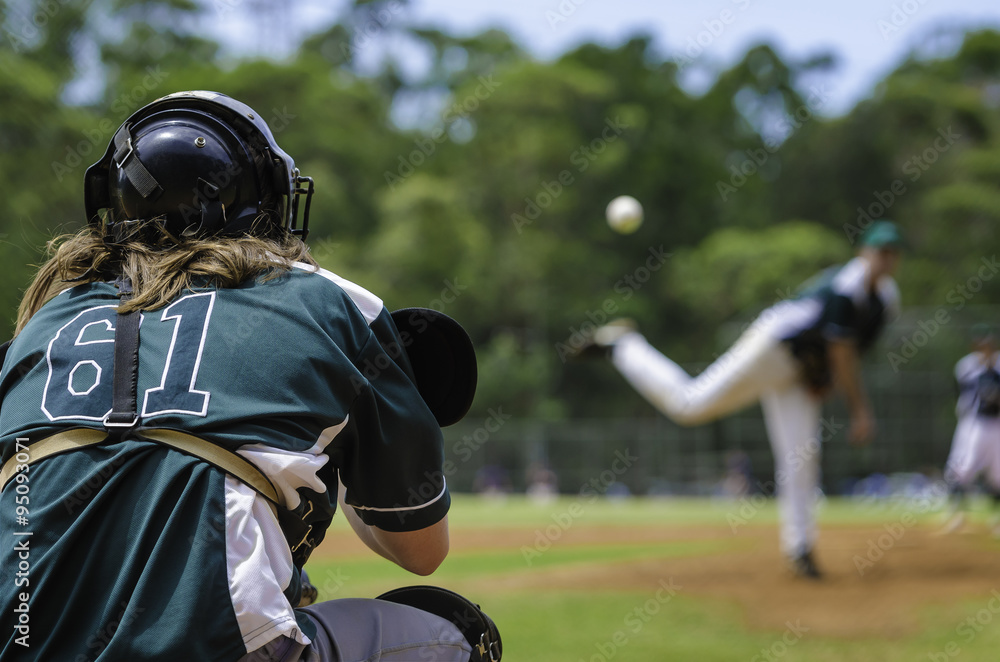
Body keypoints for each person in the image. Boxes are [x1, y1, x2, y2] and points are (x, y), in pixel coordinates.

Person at [0, 92, 493, 661]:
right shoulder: (325, 301)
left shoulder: (40, 324)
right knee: (455, 631)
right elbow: (420, 549)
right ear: (262, 200)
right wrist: (350, 453)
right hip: (213, 645)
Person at [584, 221, 904, 579]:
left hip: (799, 372)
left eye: (892, 253)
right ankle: (624, 346)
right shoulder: (847, 287)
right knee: (690, 405)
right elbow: (841, 352)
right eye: (880, 252)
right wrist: (860, 411)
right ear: (864, 252)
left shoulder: (886, 299)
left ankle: (800, 549)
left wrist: (825, 380)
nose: (886, 259)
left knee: (802, 454)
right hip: (772, 349)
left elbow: (850, 351)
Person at [941, 323, 1000, 534]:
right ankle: (957, 514)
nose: (984, 348)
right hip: (973, 422)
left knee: (998, 473)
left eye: (988, 344)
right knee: (962, 467)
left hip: (997, 424)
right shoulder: (967, 366)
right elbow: (971, 393)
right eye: (980, 344)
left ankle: (997, 520)